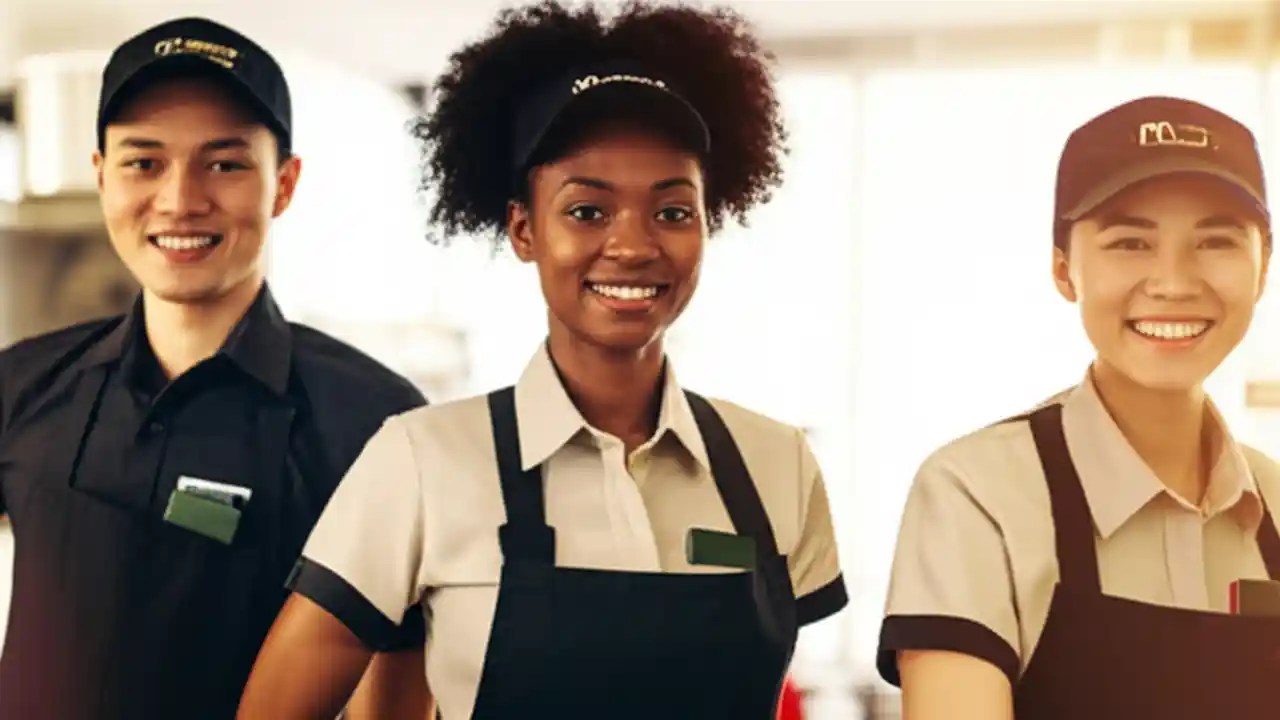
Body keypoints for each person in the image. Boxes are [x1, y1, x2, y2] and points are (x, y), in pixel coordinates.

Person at [236, 2, 847, 718]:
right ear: (524, 230)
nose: (633, 244)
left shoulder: (777, 465)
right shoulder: (421, 462)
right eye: (588, 211)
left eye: (673, 211)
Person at [0, 17, 429, 720]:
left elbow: (397, 681)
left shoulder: (374, 420)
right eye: (144, 162)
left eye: (224, 164)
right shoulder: (22, 386)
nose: (180, 200)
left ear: (283, 185)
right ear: (102, 177)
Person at [877, 96, 1280, 719]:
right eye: (1130, 243)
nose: (1173, 282)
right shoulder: (976, 495)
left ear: (1262, 270)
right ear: (1065, 271)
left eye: (1216, 242)